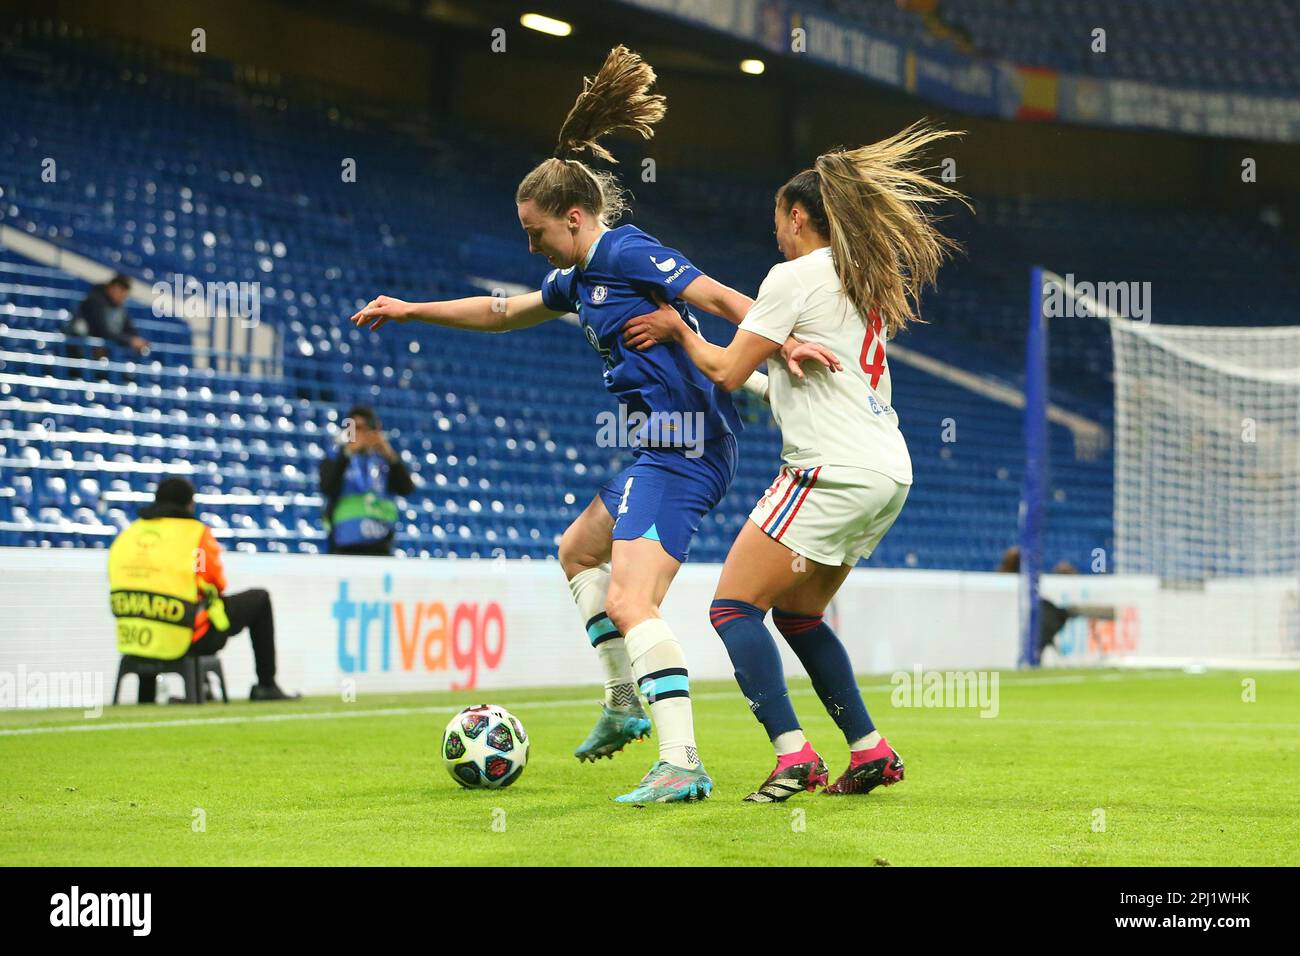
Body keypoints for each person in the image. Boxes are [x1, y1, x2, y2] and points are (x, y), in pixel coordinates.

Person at [351, 46, 834, 803]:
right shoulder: (579, 278)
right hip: (657, 451)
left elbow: (716, 296)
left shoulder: (626, 252)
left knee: (630, 602)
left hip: (686, 447)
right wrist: (412, 307)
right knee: (577, 552)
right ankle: (622, 705)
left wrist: (783, 335)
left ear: (574, 218)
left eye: (537, 230)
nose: (531, 243)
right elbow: (504, 310)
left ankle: (682, 761)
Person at [623, 122, 967, 801]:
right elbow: (782, 382)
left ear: (799, 215)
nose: (774, 233)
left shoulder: (793, 275)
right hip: (886, 471)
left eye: (778, 220)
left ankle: (793, 755)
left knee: (731, 609)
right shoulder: (857, 283)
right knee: (799, 615)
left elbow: (723, 371)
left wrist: (677, 330)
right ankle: (870, 750)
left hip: (829, 468)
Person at [108, 477, 299, 701]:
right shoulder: (194, 535)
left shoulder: (129, 535)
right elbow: (214, 582)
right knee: (258, 598)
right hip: (186, 636)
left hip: (134, 637)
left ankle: (153, 694)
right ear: (189, 504)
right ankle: (266, 685)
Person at [319, 406, 414, 555]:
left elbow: (407, 488)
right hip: (345, 543)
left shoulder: (384, 461)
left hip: (380, 543)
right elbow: (327, 487)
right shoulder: (335, 456)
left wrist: (390, 455)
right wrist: (348, 453)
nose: (359, 434)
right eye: (354, 428)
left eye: (364, 428)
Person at [67, 274, 149, 372]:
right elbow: (102, 331)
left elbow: (130, 330)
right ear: (112, 288)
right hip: (81, 351)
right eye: (121, 291)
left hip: (103, 354)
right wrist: (129, 341)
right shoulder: (95, 302)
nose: (123, 296)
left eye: (125, 293)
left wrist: (135, 340)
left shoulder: (120, 308)